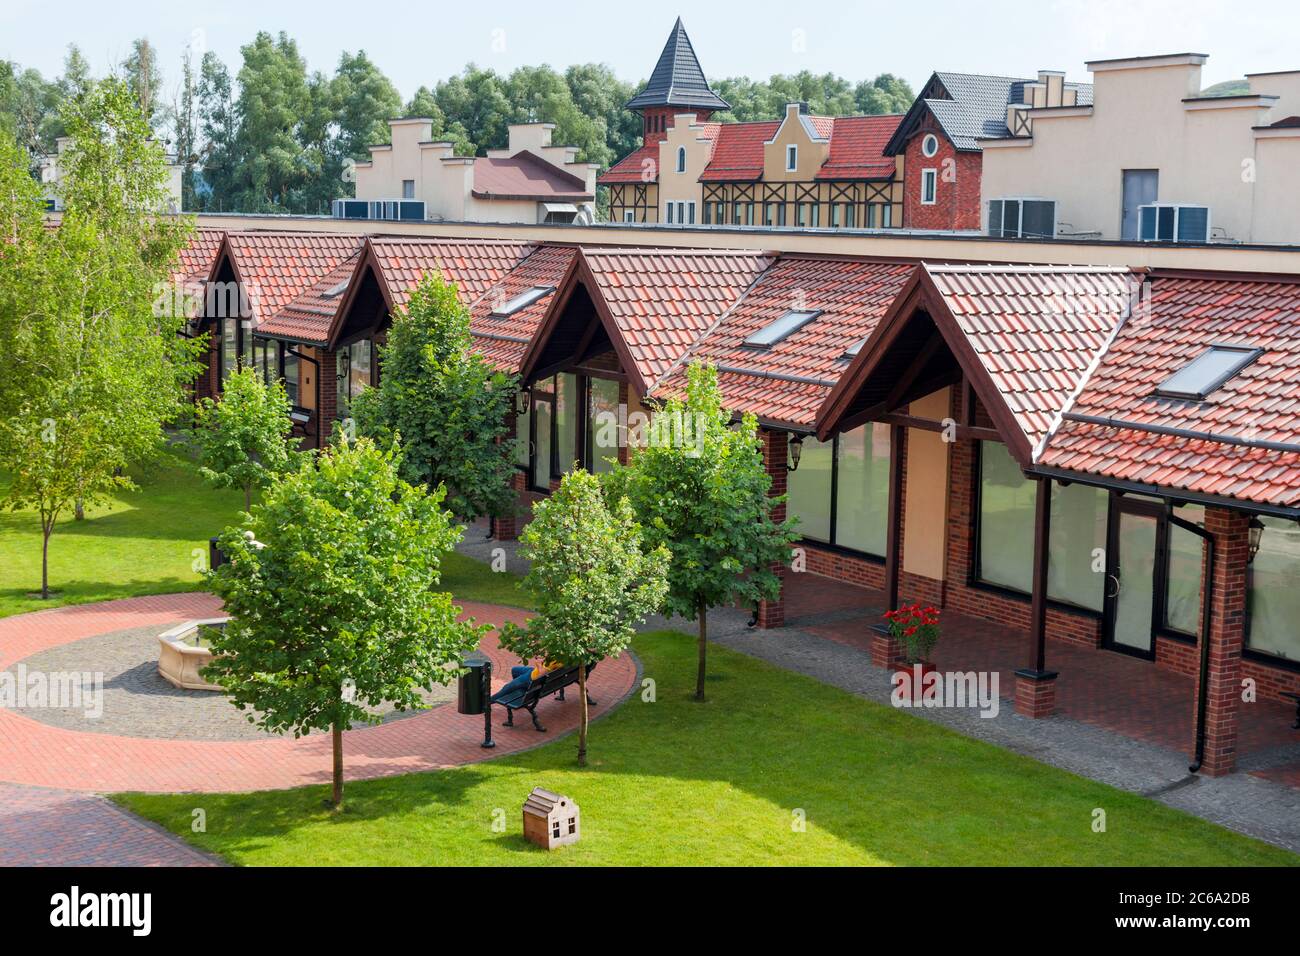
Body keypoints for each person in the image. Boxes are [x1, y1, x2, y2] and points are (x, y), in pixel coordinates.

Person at [490, 658, 562, 703]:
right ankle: (520, 693)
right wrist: (543, 660)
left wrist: (538, 664)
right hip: (533, 671)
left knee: (507, 688)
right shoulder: (565, 656)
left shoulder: (554, 659)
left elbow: (540, 675)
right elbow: (548, 668)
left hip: (531, 678)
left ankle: (488, 702)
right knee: (514, 670)